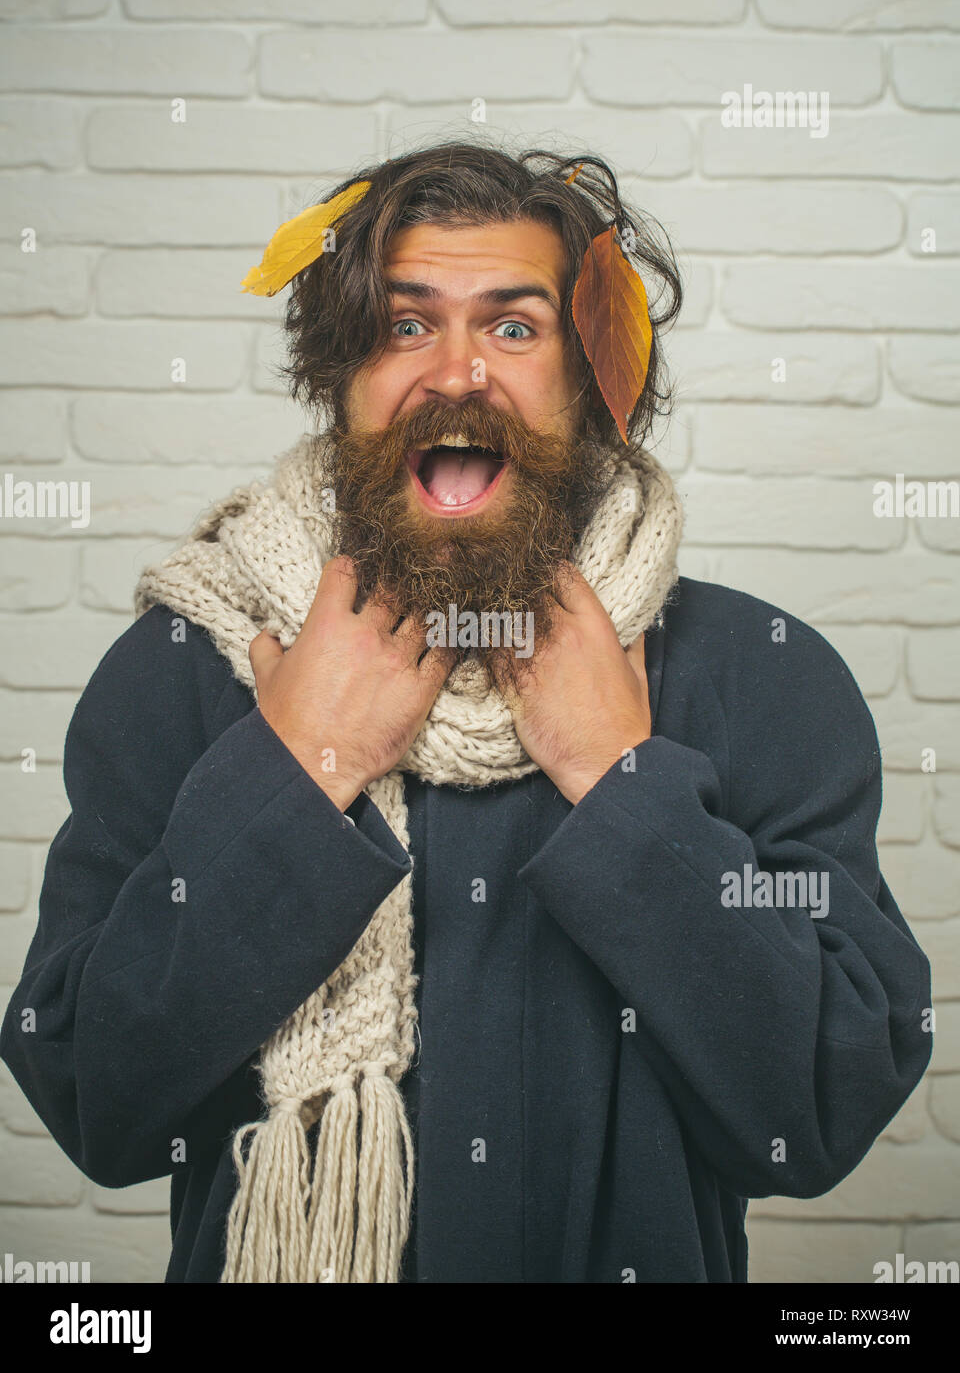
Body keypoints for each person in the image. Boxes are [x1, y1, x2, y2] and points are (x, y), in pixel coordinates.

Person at [0, 141, 932, 1284]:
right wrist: (296, 771)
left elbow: (822, 1107)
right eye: (404, 325)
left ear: (594, 384)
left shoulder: (762, 679)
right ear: (336, 375)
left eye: (514, 325)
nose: (455, 373)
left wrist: (624, 784)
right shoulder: (191, 665)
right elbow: (96, 1097)